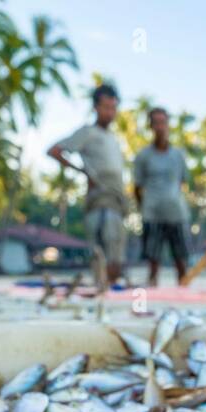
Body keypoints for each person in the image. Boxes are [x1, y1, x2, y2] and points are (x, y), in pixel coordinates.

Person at [48, 84, 130, 285]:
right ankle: (102, 286)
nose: (110, 112)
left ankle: (112, 287)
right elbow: (55, 151)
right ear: (96, 107)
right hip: (100, 200)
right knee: (103, 246)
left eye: (113, 107)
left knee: (117, 246)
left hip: (117, 199)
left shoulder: (113, 138)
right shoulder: (88, 132)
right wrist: (83, 172)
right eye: (106, 107)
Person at [133, 107, 190, 285]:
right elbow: (137, 187)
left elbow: (183, 182)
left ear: (168, 125)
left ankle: (183, 291)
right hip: (152, 213)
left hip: (176, 212)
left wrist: (171, 198)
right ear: (150, 126)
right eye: (155, 123)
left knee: (180, 258)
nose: (160, 127)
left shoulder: (178, 155)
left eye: (163, 122)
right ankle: (152, 291)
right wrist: (145, 206)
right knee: (153, 260)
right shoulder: (143, 156)